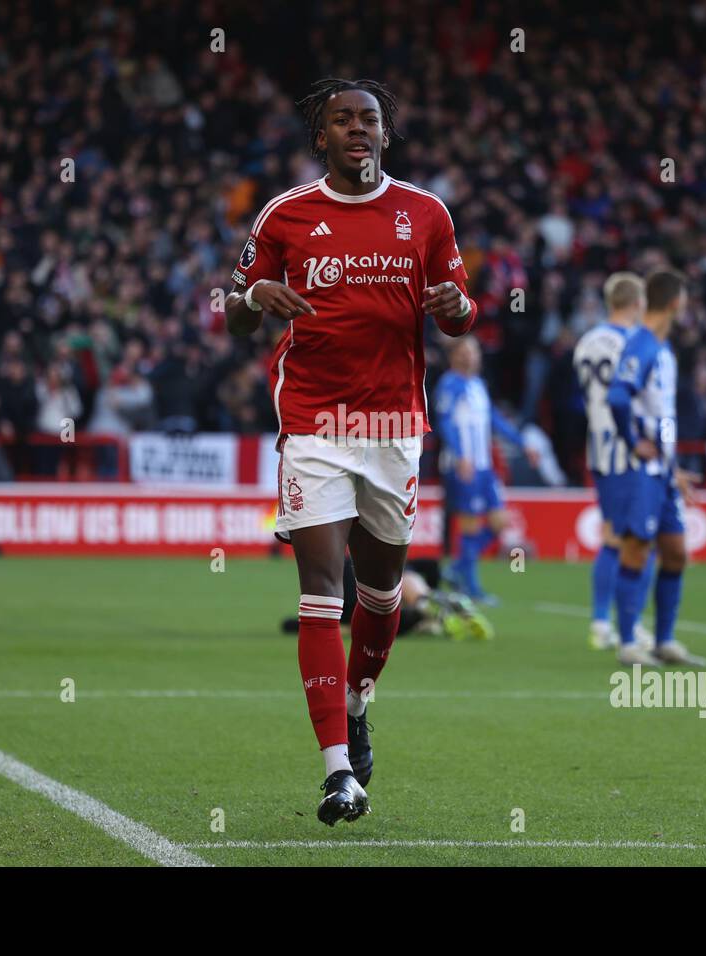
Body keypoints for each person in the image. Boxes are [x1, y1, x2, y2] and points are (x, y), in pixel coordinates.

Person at [223, 77, 476, 826]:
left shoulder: (425, 214)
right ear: (321, 138)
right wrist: (250, 300)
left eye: (369, 119)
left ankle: (359, 702)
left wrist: (454, 307)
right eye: (342, 120)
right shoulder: (285, 215)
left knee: (383, 589)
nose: (357, 129)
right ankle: (338, 771)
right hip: (313, 424)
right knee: (319, 591)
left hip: (394, 427)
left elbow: (462, 313)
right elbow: (235, 312)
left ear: (386, 134)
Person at [606, 270, 706, 667]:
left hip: (662, 472)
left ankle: (664, 640)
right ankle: (628, 642)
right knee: (636, 547)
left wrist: (671, 468)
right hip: (640, 472)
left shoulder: (663, 351)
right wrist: (634, 444)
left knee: (676, 552)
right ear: (674, 303)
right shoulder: (642, 346)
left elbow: (658, 414)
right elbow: (617, 397)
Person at [573, 272, 655, 650]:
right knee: (637, 537)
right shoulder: (634, 342)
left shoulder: (586, 342)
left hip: (600, 447)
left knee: (613, 533)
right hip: (630, 447)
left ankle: (603, 622)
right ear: (638, 304)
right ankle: (627, 623)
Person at [433, 336, 539, 604]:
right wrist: (460, 455)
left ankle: (457, 569)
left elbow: (495, 420)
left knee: (498, 522)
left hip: (484, 468)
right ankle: (471, 588)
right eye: (465, 351)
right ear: (454, 356)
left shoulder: (478, 385)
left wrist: (522, 443)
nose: (470, 356)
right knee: (469, 527)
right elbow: (444, 422)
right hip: (463, 466)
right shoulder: (449, 384)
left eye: (474, 351)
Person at [280, 555, 494, 641]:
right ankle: (428, 603)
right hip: (364, 582)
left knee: (388, 603)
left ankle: (429, 611)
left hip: (351, 602)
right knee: (400, 575)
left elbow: (297, 625)